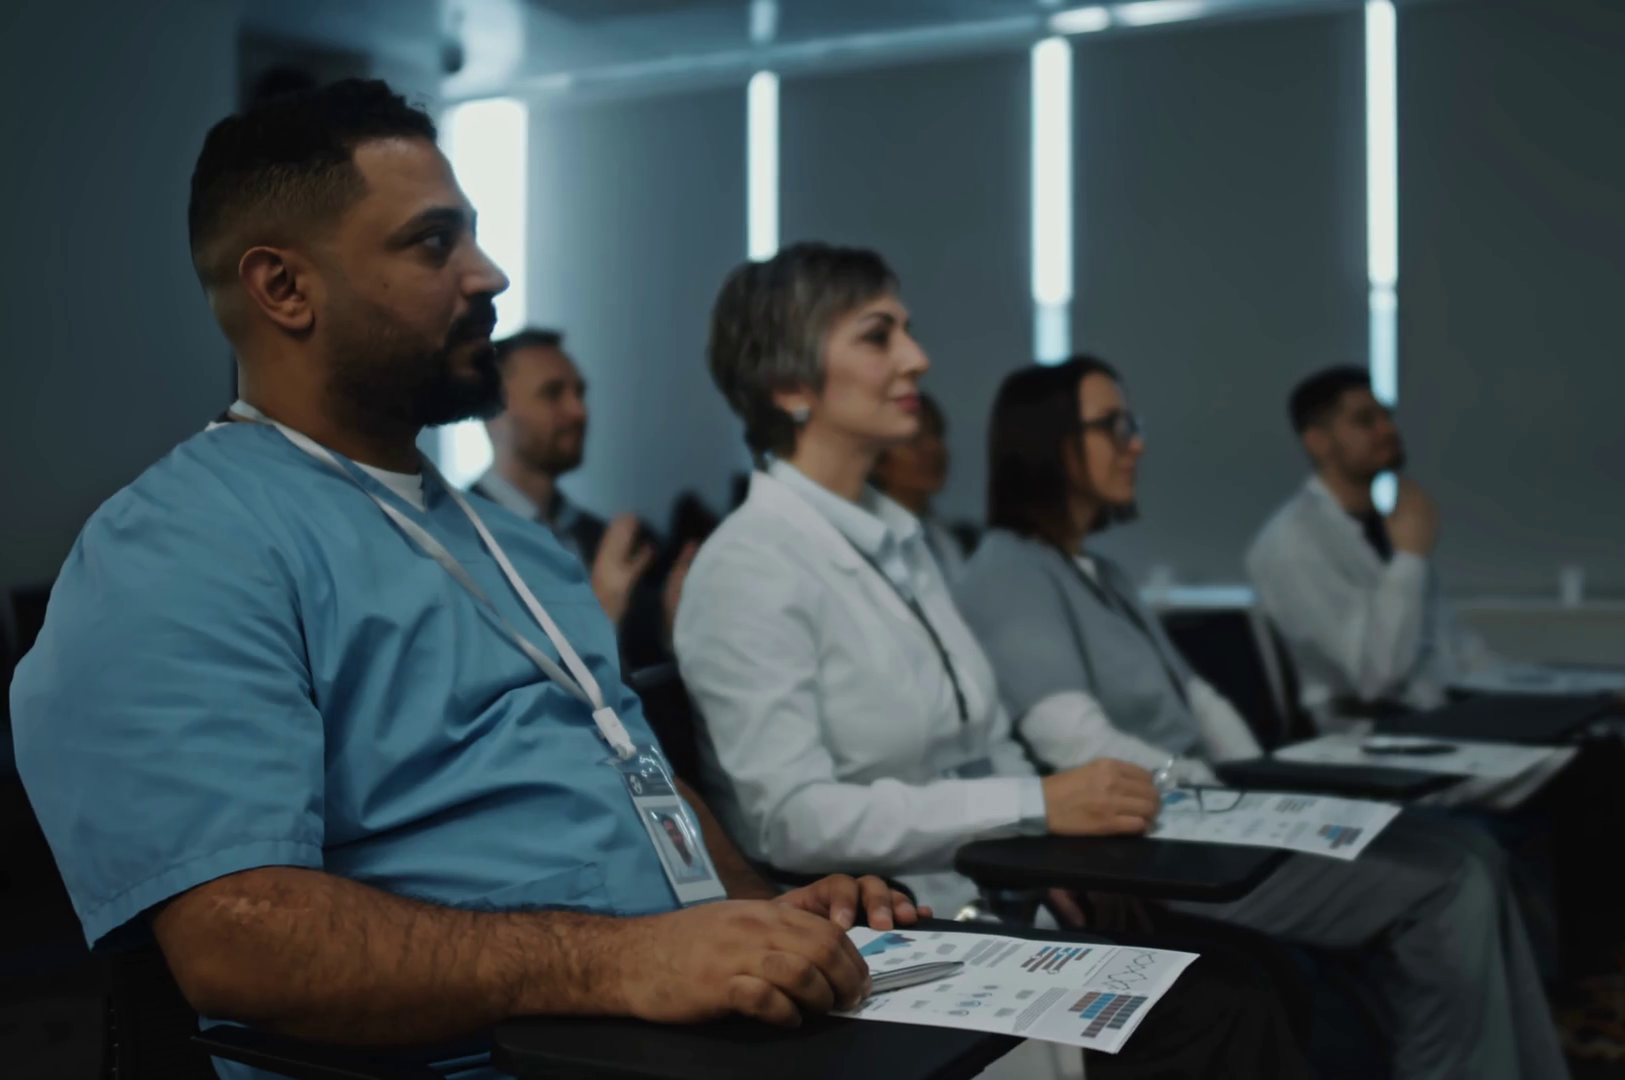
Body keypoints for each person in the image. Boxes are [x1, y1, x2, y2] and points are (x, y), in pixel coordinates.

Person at [7, 81, 930, 1080]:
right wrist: (624, 962)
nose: (488, 275)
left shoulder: (511, 542)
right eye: (431, 244)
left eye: (474, 237)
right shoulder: (179, 548)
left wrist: (762, 913)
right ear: (282, 289)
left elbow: (630, 765)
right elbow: (243, 943)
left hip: (673, 1033)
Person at [676, 242, 1314, 1078]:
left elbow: (985, 740)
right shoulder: (750, 563)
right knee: (1227, 1007)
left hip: (989, 898)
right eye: (879, 336)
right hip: (891, 937)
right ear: (791, 387)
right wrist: (1039, 805)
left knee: (1257, 975)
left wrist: (1047, 853)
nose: (918, 357)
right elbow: (791, 818)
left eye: (906, 330)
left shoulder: (901, 543)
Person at [952, 356, 1572, 1080]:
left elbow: (1203, 702)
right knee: (1448, 880)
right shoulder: (1007, 571)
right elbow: (1074, 739)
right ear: (1051, 443)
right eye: (1113, 426)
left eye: (1133, 425)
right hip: (1165, 834)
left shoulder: (1101, 573)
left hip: (1208, 810)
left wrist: (1266, 792)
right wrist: (1223, 791)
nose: (1135, 442)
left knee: (1474, 854)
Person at [1247, 365, 1625, 1065]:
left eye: (1385, 414)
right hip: (1377, 738)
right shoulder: (1289, 544)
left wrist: (1570, 695)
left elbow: (1460, 656)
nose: (1386, 429)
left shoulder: (1383, 526)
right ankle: (1587, 999)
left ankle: (1623, 967)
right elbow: (1372, 675)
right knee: (1598, 772)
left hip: (1449, 715)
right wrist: (1409, 557)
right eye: (1363, 419)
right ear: (1317, 442)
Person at [473, 327, 696, 668]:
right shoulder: (454, 538)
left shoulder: (611, 541)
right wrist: (600, 611)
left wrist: (668, 621)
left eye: (579, 392)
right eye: (552, 393)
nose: (579, 412)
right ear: (494, 416)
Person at [871, 389, 970, 583]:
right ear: (877, 458)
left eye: (938, 435)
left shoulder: (940, 536)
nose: (934, 448)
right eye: (914, 439)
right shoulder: (873, 538)